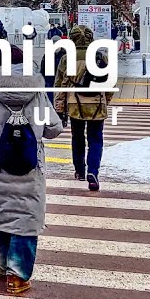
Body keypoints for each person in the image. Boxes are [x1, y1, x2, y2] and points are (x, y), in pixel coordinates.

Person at [0, 45, 63, 295]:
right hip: (31, 169)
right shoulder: (37, 93)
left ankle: (3, 263)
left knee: (5, 213)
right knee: (25, 219)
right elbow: (54, 128)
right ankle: (18, 275)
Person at [55, 25, 113, 191]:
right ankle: (93, 170)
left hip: (75, 104)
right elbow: (110, 82)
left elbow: (61, 86)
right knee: (96, 139)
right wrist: (106, 100)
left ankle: (80, 170)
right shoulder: (100, 56)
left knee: (77, 137)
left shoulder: (67, 58)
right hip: (97, 104)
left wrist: (60, 108)